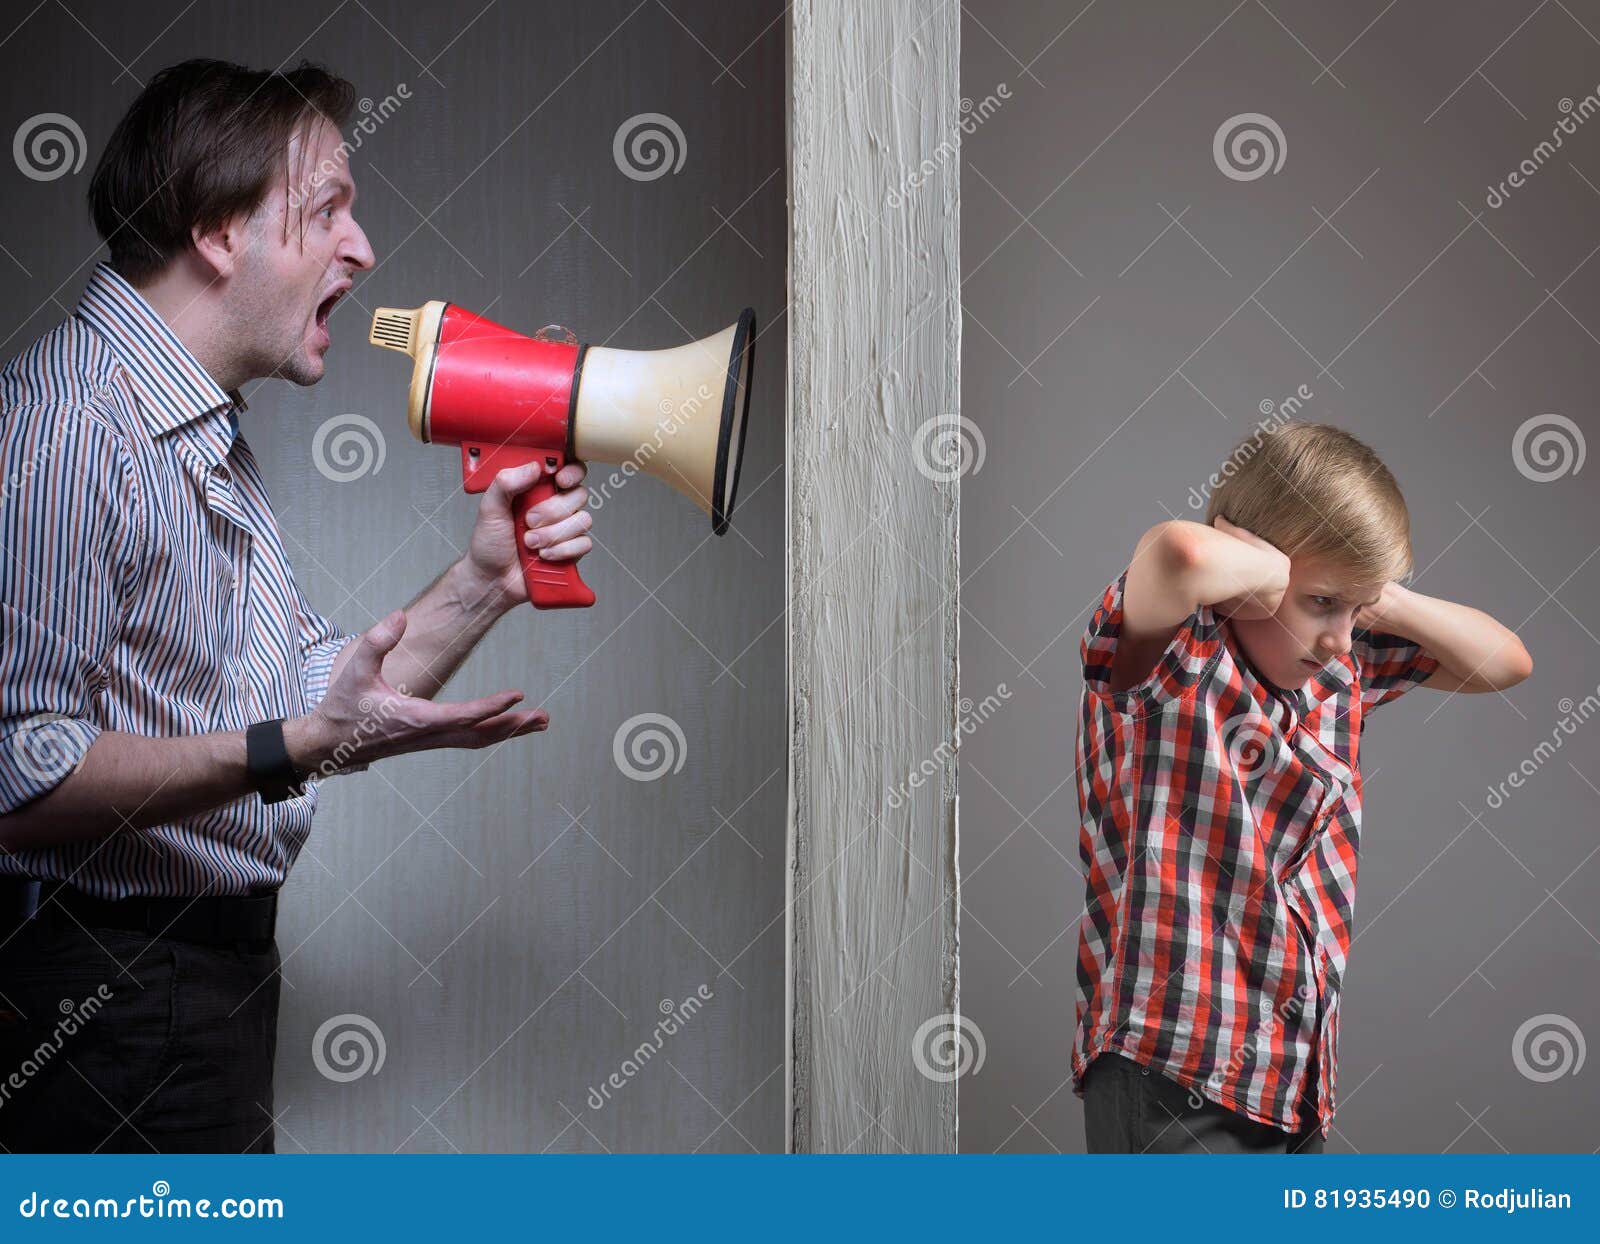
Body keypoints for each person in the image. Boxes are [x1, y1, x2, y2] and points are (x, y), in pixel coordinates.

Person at [0, 58, 593, 1153]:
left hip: (199, 987)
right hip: (103, 998)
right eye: (328, 211)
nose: (362, 250)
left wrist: (484, 582)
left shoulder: (189, 430)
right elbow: (17, 776)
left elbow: (302, 699)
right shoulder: (74, 430)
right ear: (221, 233)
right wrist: (290, 743)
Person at [1070, 422, 1533, 1153]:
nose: (1341, 638)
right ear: (1257, 572)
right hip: (1171, 1065)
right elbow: (1177, 553)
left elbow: (1506, 660)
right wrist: (1268, 576)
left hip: (1292, 1083)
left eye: (1357, 610)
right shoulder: (1173, 658)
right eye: (1321, 602)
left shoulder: (1341, 673)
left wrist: (1378, 598)